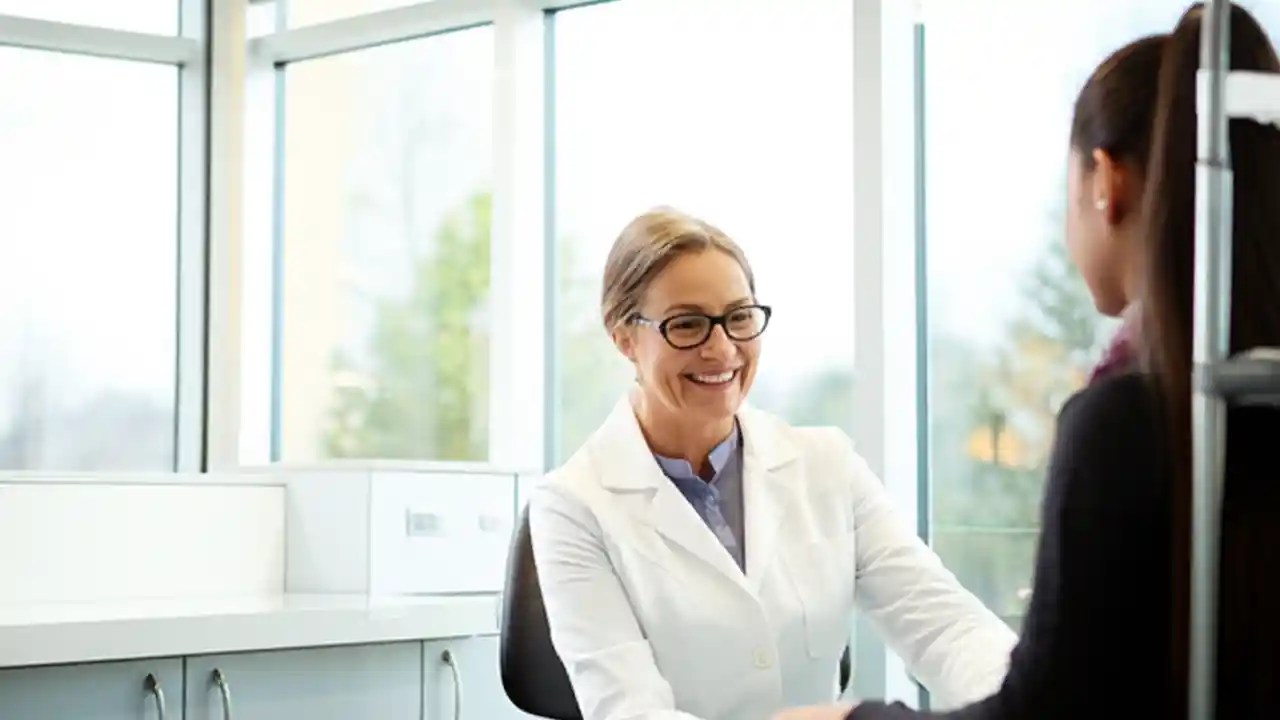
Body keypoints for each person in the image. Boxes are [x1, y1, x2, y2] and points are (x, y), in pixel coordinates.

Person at [774, 3, 1280, 719]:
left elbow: (1045, 706)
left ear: (1105, 182)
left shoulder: (1128, 422)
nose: (722, 347)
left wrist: (852, 718)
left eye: (739, 319)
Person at [527, 206, 1017, 720]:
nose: (722, 349)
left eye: (739, 317)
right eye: (688, 324)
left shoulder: (827, 465)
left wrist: (1023, 699)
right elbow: (628, 712)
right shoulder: (572, 505)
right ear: (624, 337)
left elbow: (945, 625)